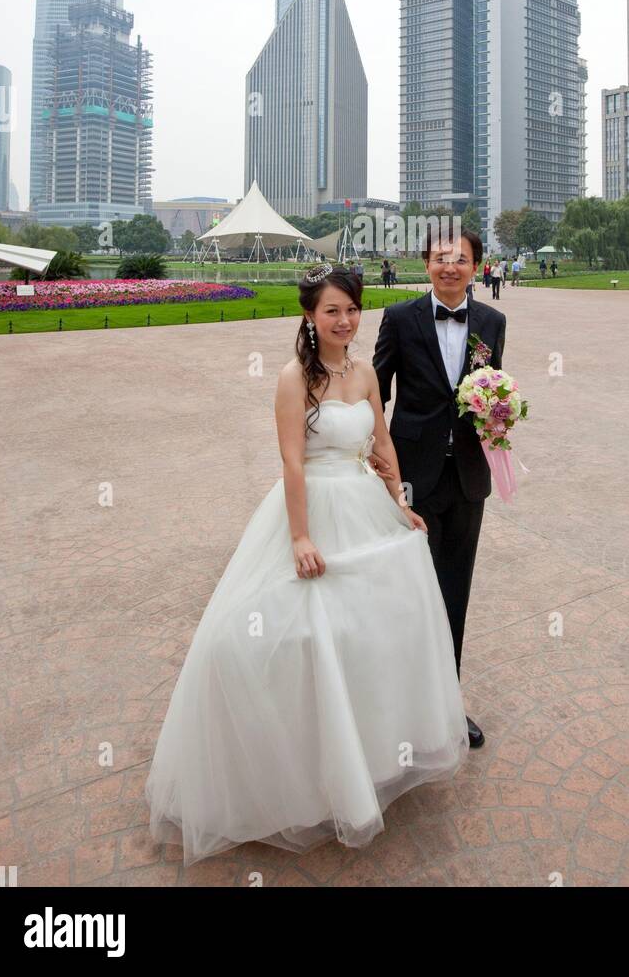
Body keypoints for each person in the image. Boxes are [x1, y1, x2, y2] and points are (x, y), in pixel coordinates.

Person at [144, 264, 469, 866]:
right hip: (313, 506)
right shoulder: (296, 378)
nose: (344, 321)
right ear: (309, 316)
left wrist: (401, 504)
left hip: (367, 505)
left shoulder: (367, 370)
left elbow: (383, 445)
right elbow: (292, 463)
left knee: (373, 630)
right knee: (268, 636)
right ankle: (300, 774)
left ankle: (370, 753)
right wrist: (299, 536)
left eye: (351, 310)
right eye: (331, 312)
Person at [371, 228, 506, 750]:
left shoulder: (492, 322)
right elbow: (375, 393)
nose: (451, 268)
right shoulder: (400, 319)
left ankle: (446, 705)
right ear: (426, 264)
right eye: (441, 259)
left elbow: (488, 389)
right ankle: (401, 709)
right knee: (409, 593)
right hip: (414, 479)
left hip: (469, 479)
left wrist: (500, 415)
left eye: (462, 260)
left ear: (476, 266)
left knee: (454, 593)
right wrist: (373, 465)